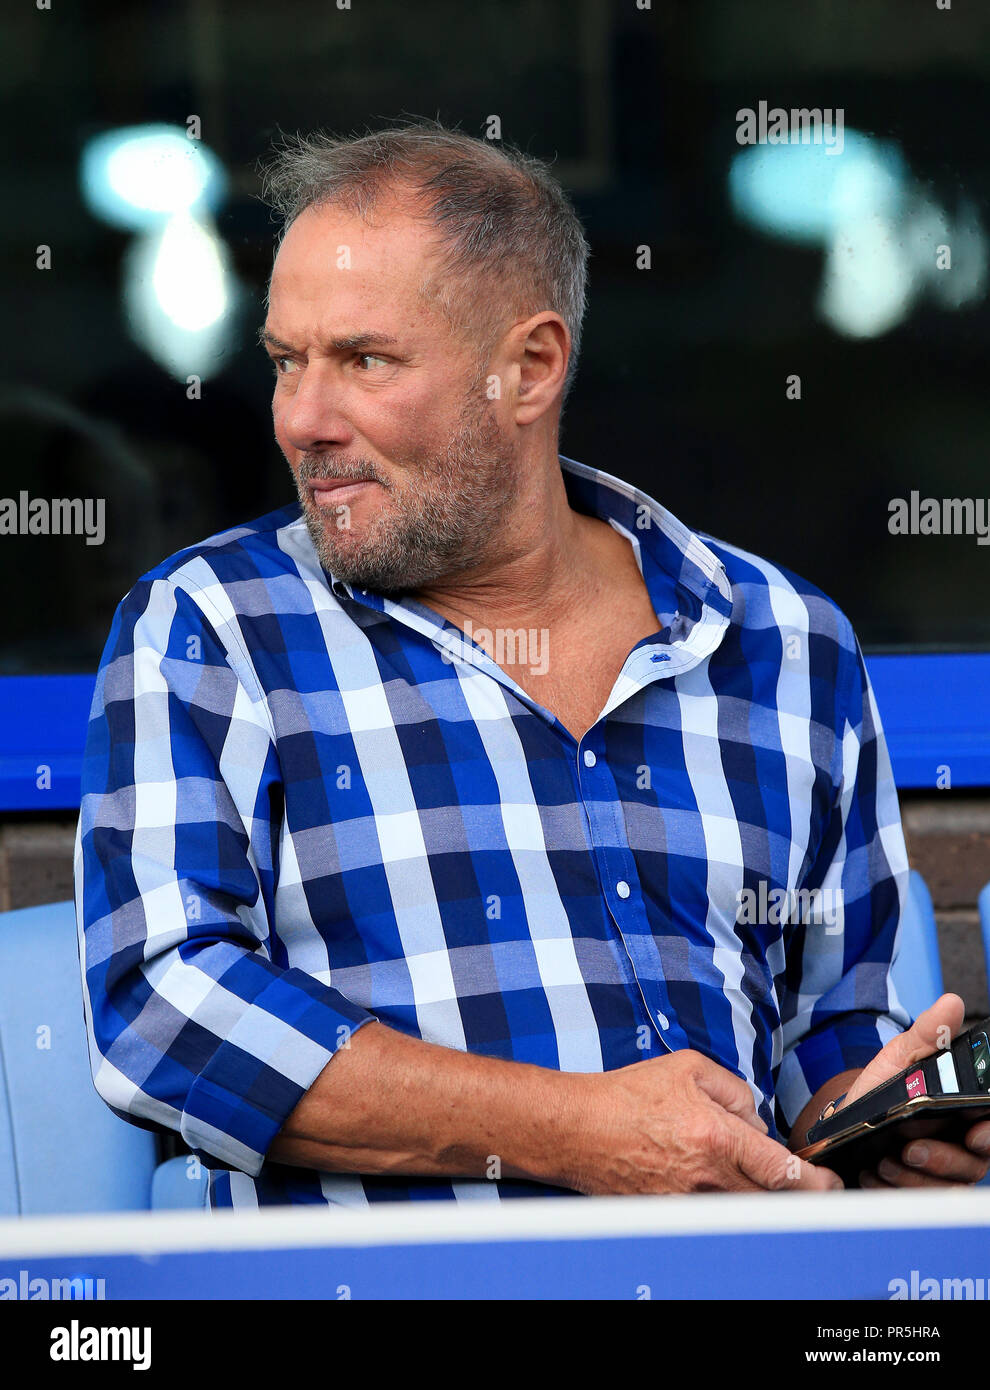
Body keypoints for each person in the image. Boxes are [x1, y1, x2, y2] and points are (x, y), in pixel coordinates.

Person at [75, 119, 990, 1207]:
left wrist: (879, 1125)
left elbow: (828, 1025)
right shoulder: (212, 628)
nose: (301, 420)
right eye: (286, 361)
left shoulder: (783, 643)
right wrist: (573, 1130)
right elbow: (163, 1008)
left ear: (530, 367)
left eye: (364, 359)